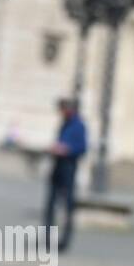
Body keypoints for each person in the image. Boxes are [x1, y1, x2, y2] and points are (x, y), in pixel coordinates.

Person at [44, 97, 88, 253]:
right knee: (50, 205)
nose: (61, 112)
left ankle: (64, 240)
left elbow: (82, 148)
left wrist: (66, 149)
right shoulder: (64, 123)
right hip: (58, 168)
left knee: (67, 206)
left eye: (63, 109)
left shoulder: (79, 125)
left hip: (69, 169)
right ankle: (48, 238)